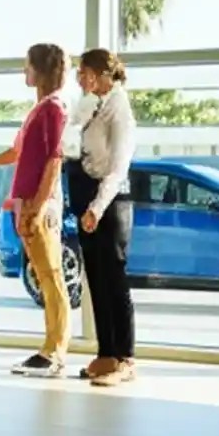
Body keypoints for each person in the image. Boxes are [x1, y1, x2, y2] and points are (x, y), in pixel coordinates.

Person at [69, 48, 138, 387]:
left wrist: (96, 208)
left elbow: (118, 167)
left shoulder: (119, 109)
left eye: (82, 72)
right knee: (94, 278)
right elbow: (72, 142)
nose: (78, 78)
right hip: (86, 195)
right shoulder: (89, 105)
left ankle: (125, 357)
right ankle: (105, 352)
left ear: (99, 73)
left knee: (114, 280)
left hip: (111, 200)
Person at [5, 43, 72, 378]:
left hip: (40, 205)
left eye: (28, 65)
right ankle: (51, 347)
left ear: (42, 70)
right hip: (30, 203)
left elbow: (54, 160)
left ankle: (55, 351)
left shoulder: (53, 110)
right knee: (46, 277)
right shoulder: (42, 109)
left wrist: (38, 204)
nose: (24, 71)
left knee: (51, 277)